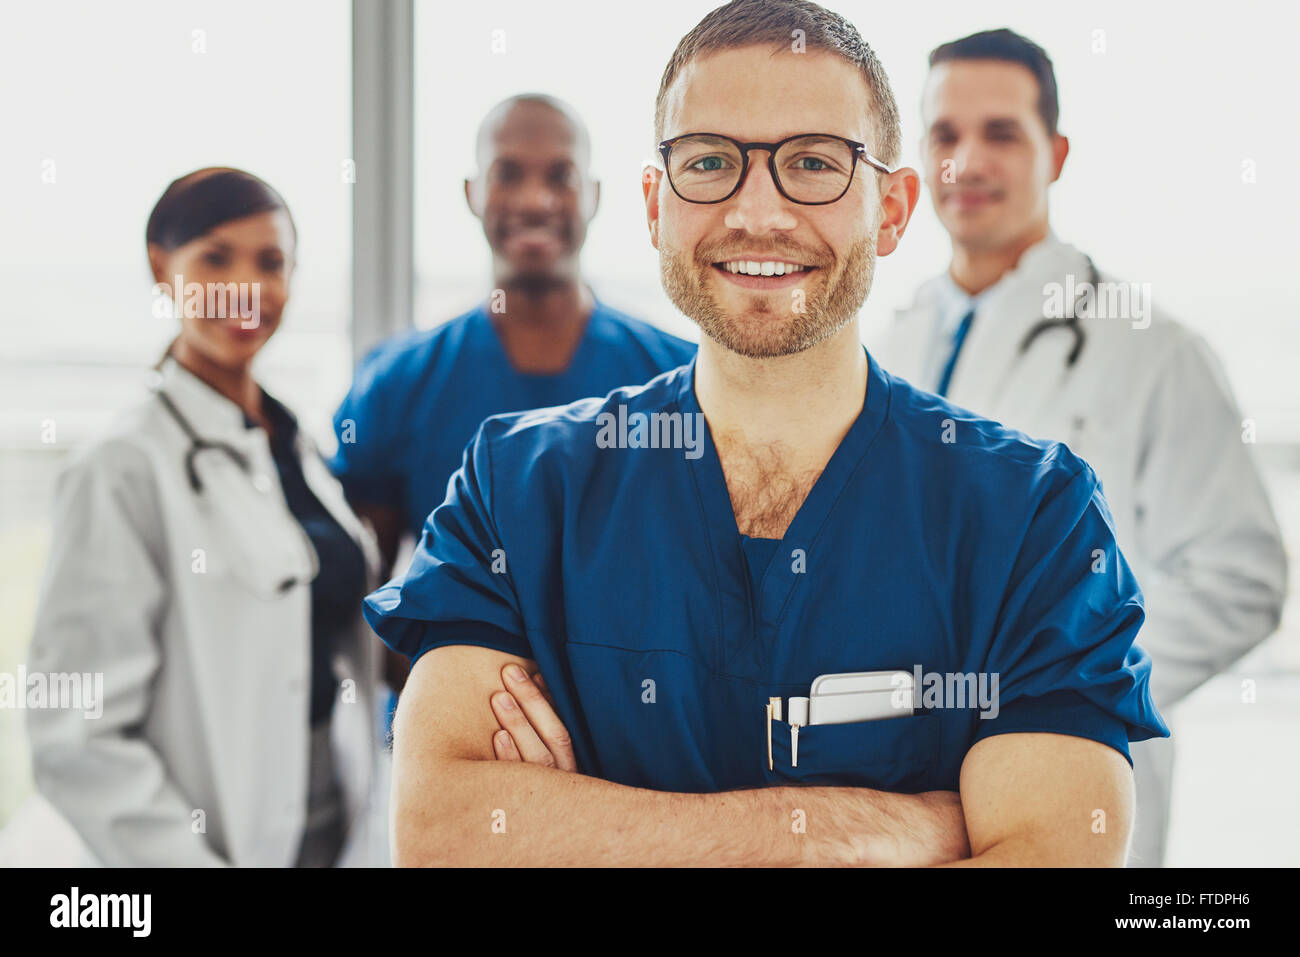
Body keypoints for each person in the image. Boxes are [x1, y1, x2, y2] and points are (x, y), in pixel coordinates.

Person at [367, 0, 1168, 867]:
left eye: (814, 163)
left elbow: (1054, 855)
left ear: (894, 209)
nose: (758, 212)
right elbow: (442, 833)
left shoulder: (1033, 518)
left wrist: (579, 826)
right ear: (653, 204)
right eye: (708, 162)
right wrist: (865, 829)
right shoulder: (516, 492)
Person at [872, 28, 1288, 866]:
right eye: (945, 135)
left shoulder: (1150, 349)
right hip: (906, 784)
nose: (967, 161)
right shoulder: (888, 342)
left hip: (1076, 779)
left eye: (1001, 133)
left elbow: (1243, 577)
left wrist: (1066, 681)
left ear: (1055, 153)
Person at [26, 168, 385, 867]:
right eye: (215, 257)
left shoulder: (295, 444)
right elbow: (77, 735)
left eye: (271, 261)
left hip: (337, 824)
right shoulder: (122, 468)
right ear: (162, 269)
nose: (245, 285)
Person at [331, 93, 696, 707]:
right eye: (508, 174)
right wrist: (458, 695)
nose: (534, 200)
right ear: (473, 192)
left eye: (560, 175)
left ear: (597, 194)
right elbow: (358, 588)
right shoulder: (398, 381)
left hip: (636, 742)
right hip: (456, 740)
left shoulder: (679, 376)